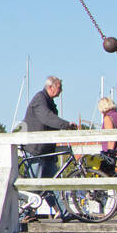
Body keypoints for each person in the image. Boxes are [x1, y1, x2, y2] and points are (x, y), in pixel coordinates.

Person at [22, 76, 76, 219]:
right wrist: (66, 125)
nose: (61, 91)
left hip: (46, 150)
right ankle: (26, 214)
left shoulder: (48, 101)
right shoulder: (40, 99)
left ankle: (63, 212)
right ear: (51, 87)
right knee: (35, 183)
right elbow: (47, 118)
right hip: (36, 149)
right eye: (59, 87)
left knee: (53, 181)